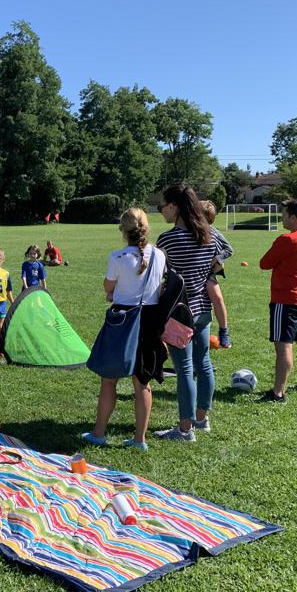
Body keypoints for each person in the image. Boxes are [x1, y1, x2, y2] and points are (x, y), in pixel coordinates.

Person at [82, 209, 167, 451]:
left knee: (109, 380)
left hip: (122, 321)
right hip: (150, 322)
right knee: (142, 383)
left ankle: (99, 433)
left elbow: (108, 286)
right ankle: (140, 439)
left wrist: (114, 292)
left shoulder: (118, 257)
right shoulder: (160, 255)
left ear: (123, 231)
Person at [152, 184, 228, 442]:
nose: (162, 211)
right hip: (203, 310)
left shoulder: (168, 239)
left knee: (184, 369)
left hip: (179, 313)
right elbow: (218, 263)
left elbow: (158, 276)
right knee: (203, 364)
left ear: (174, 207)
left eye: (163, 205)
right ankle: (202, 419)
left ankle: (185, 429)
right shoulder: (210, 236)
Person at [258, 199, 297, 402]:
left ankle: (278, 393)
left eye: (284, 214)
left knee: (283, 345)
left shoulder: (287, 239)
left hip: (285, 300)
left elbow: (264, 263)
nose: (281, 218)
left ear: (293, 217)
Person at [200, 200, 234, 348]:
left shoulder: (213, 232)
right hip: (190, 273)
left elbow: (228, 250)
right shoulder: (186, 230)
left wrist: (217, 259)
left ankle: (224, 331)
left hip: (208, 273)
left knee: (218, 299)